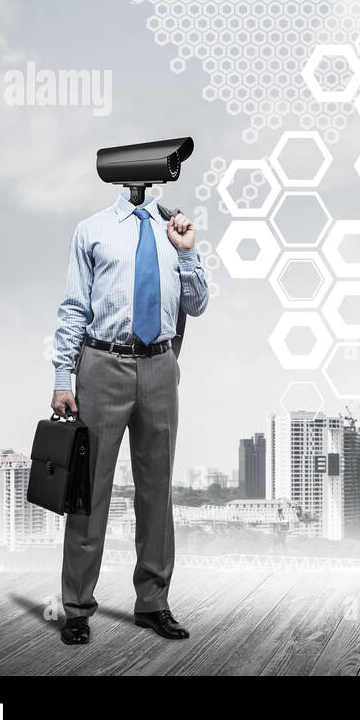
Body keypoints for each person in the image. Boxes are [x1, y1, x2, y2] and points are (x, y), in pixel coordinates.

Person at [50, 189, 208, 645]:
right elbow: (75, 306)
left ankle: (153, 604)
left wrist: (188, 252)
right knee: (88, 489)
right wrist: (64, 375)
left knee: (157, 490)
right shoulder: (92, 230)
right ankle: (77, 608)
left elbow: (196, 305)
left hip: (160, 365)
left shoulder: (173, 231)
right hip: (102, 364)